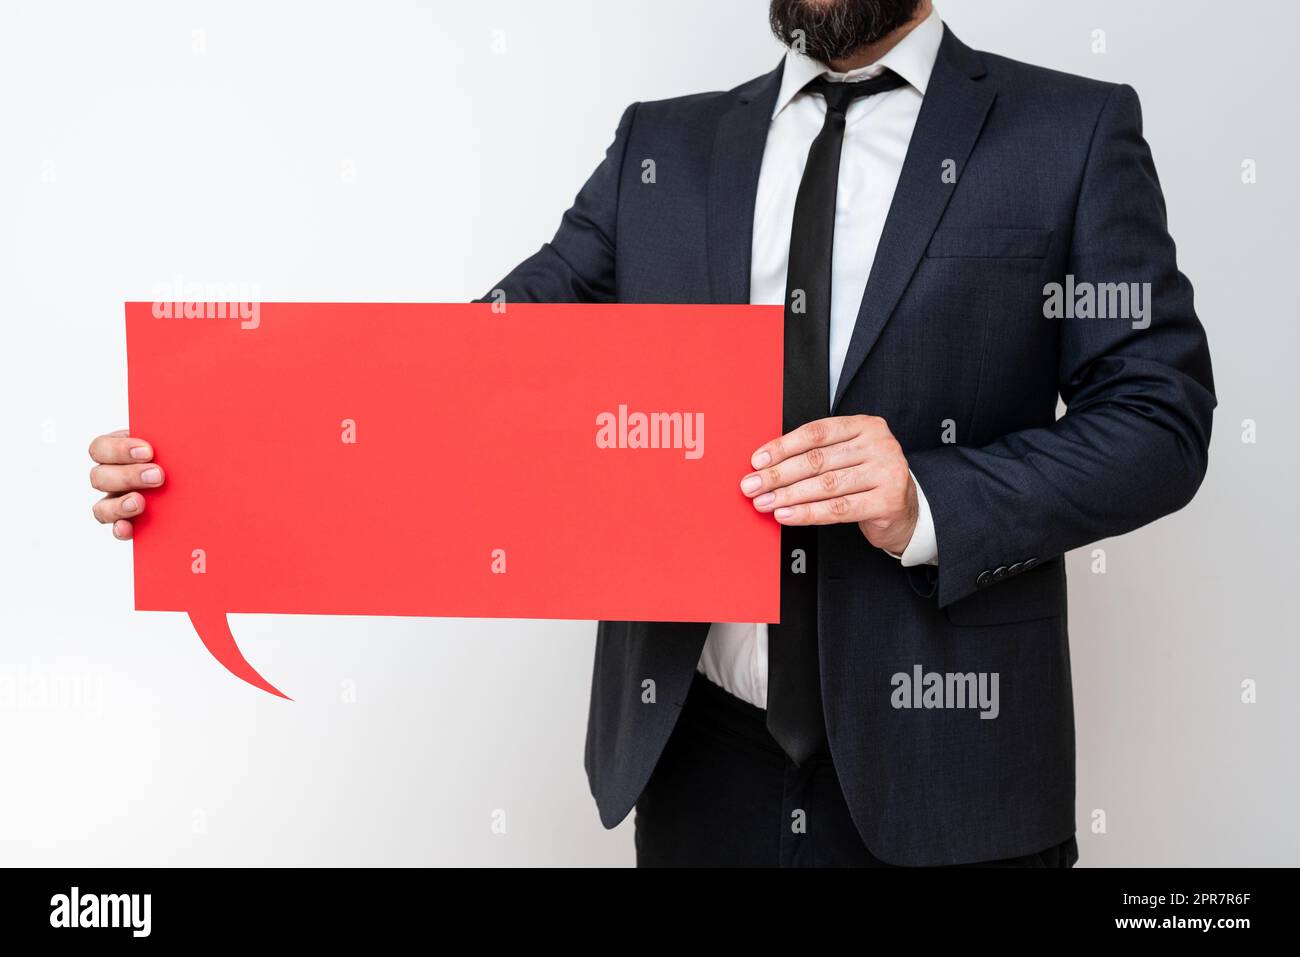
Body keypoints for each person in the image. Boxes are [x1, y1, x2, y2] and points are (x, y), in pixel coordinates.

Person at [88, 0, 1215, 866]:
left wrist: (925, 496)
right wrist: (214, 461)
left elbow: (1158, 420)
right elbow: (461, 380)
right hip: (698, 760)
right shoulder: (658, 149)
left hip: (955, 770)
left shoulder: (1067, 132)